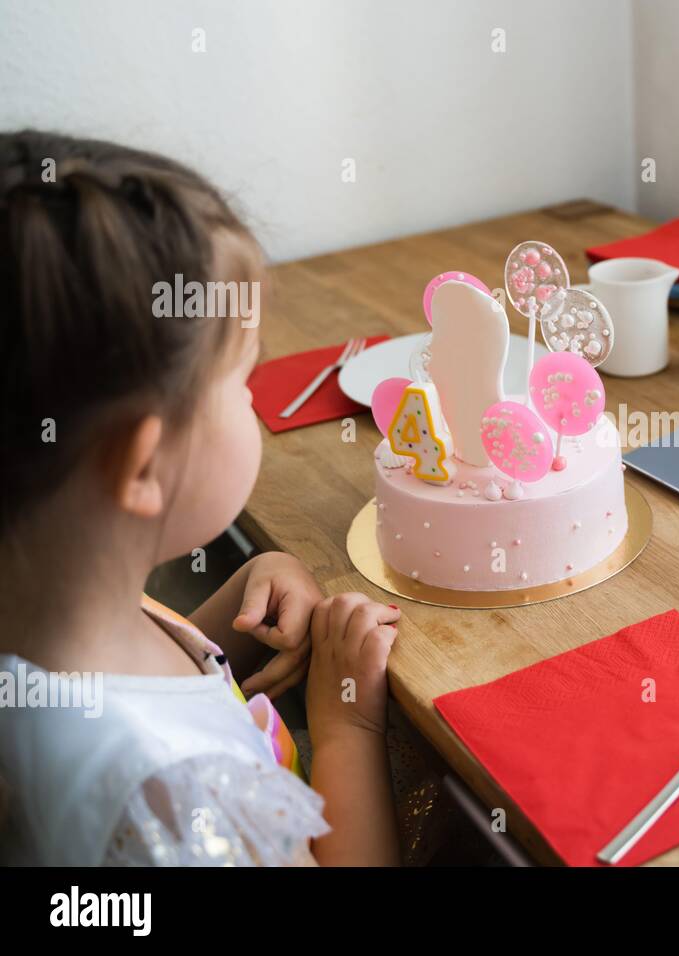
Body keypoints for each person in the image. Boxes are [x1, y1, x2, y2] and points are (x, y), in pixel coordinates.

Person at [0, 130, 401, 865]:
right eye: (241, 382)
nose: (252, 401)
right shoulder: (177, 804)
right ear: (144, 466)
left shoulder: (45, 613)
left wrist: (245, 591)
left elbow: (151, 669)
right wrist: (347, 727)